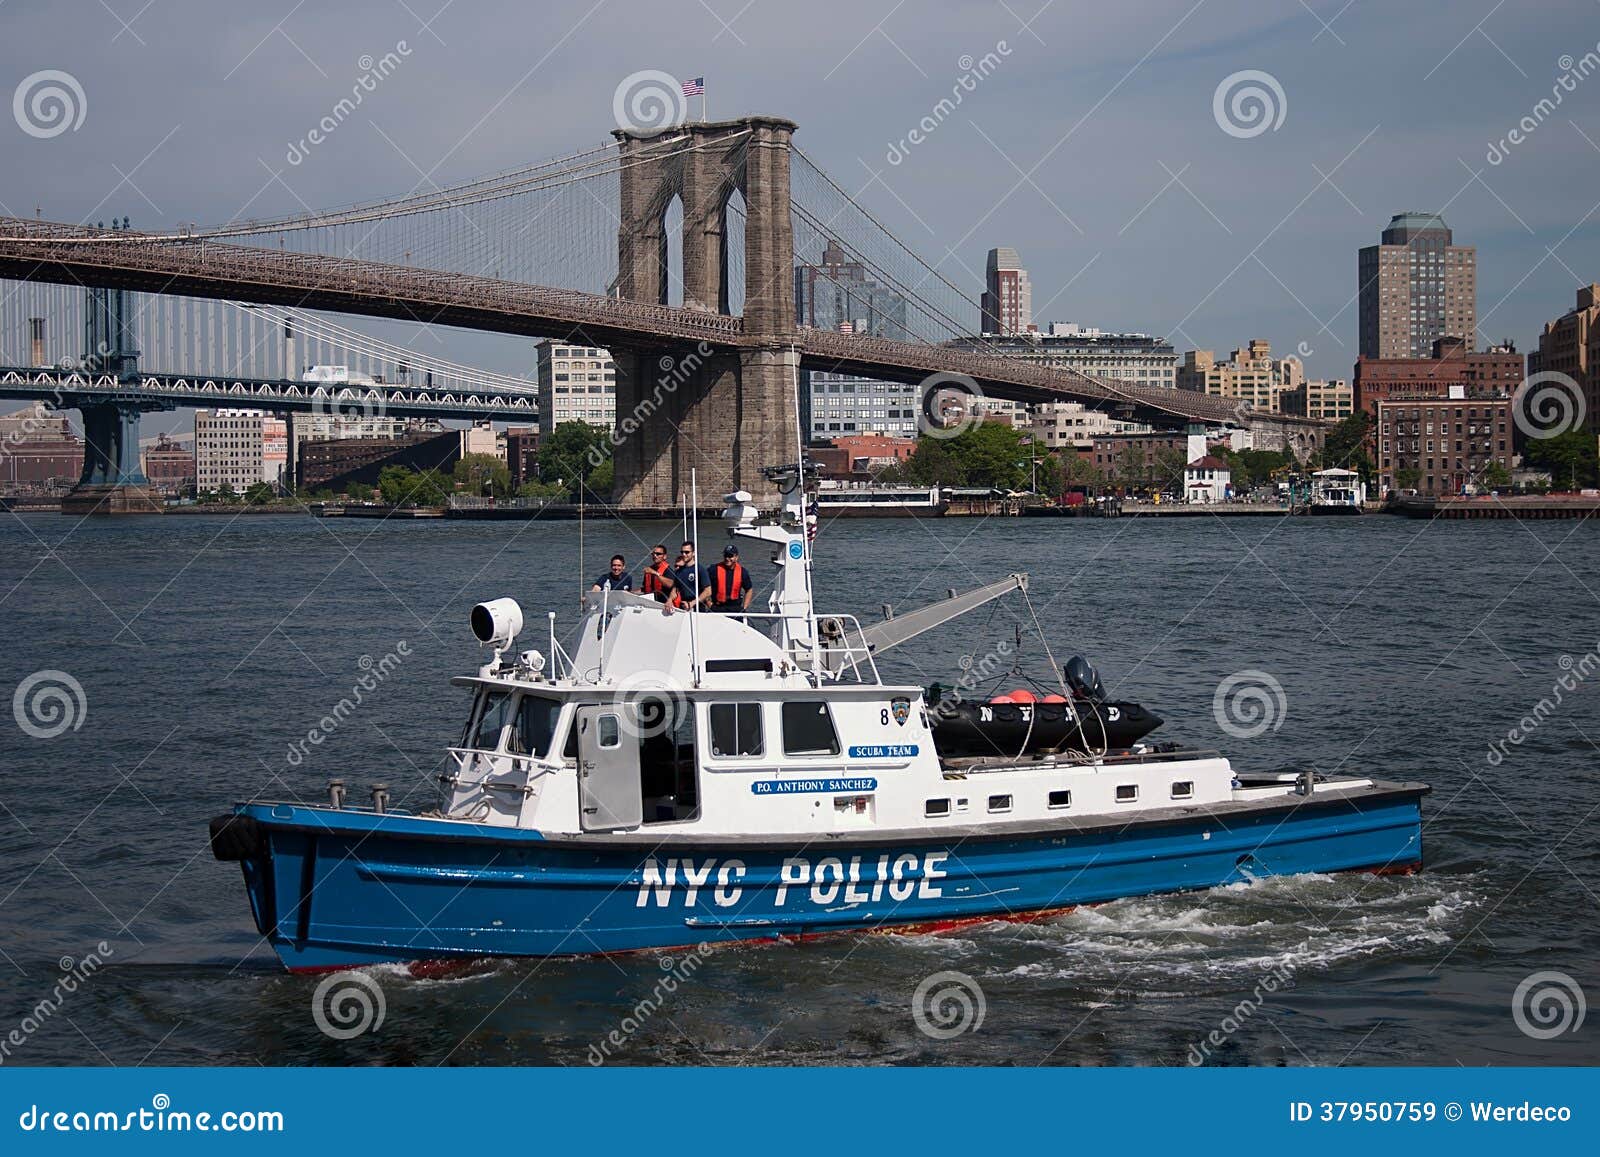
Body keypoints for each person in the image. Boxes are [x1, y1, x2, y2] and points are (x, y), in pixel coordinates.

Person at [707, 544, 754, 613]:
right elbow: (703, 585)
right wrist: (708, 603)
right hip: (717, 607)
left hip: (735, 608)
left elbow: (749, 590)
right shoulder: (713, 570)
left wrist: (744, 607)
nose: (727, 558)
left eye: (730, 556)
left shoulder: (743, 572)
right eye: (726, 555)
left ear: (736, 557)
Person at [671, 541, 710, 609]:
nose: (684, 554)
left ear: (693, 553)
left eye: (687, 552)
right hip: (683, 606)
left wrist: (692, 603)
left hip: (698, 607)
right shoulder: (679, 571)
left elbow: (708, 591)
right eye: (682, 552)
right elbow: (675, 590)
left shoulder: (700, 570)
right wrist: (669, 600)